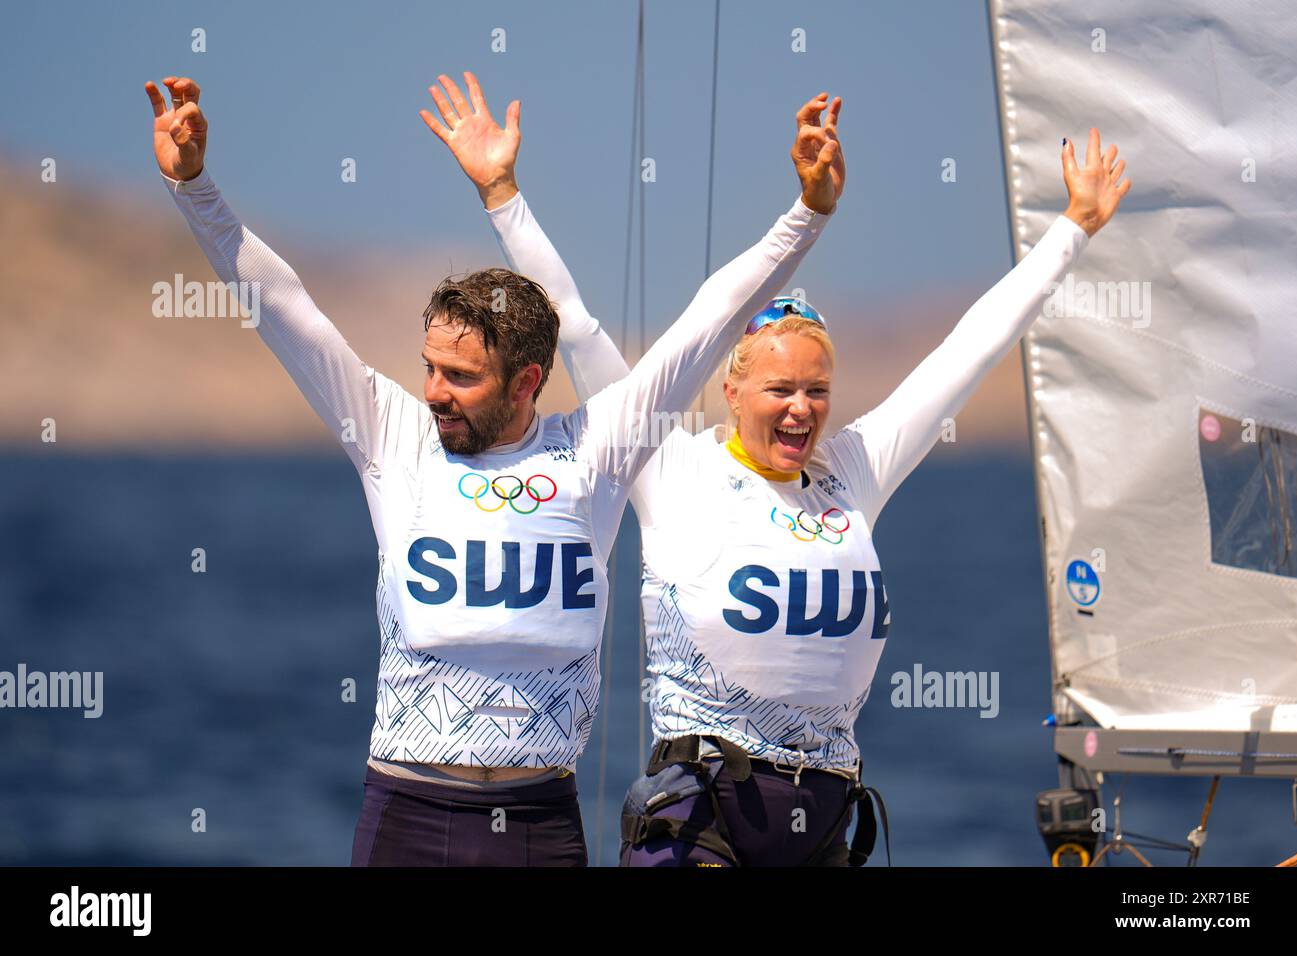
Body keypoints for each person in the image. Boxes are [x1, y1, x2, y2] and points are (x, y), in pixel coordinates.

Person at [143, 71, 842, 865]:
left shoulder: (597, 452)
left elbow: (707, 322)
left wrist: (807, 215)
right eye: (430, 367)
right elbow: (285, 306)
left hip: (541, 825)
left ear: (525, 383)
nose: (434, 392)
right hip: (406, 813)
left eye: (460, 377)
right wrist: (193, 185)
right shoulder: (391, 435)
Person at [449, 79, 1130, 865]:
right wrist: (501, 192)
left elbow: (970, 349)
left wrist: (1072, 230)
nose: (801, 410)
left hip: (824, 817)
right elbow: (575, 323)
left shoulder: (855, 470)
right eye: (780, 390)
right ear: (732, 389)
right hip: (702, 816)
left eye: (817, 391)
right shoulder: (666, 463)